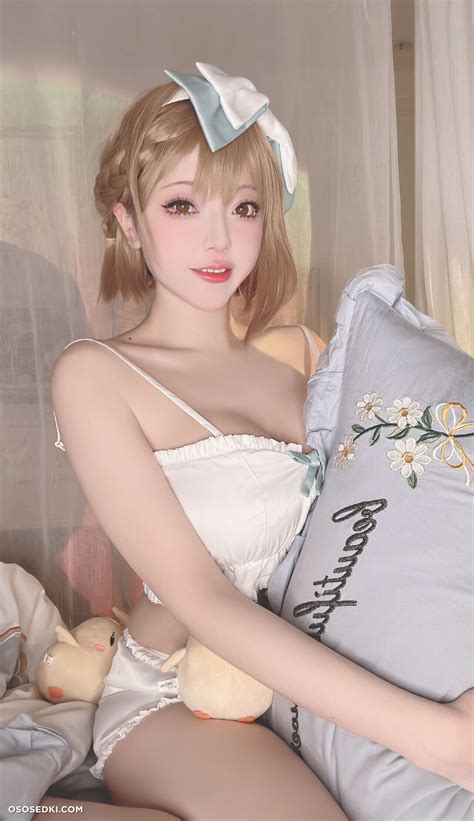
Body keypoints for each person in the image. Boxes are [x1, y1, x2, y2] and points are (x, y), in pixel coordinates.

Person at [45, 64, 472, 820]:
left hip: (306, 689)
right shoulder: (95, 376)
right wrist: (437, 737)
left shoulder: (302, 364)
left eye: (243, 207)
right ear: (128, 219)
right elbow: (203, 599)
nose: (219, 238)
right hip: (174, 695)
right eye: (182, 204)